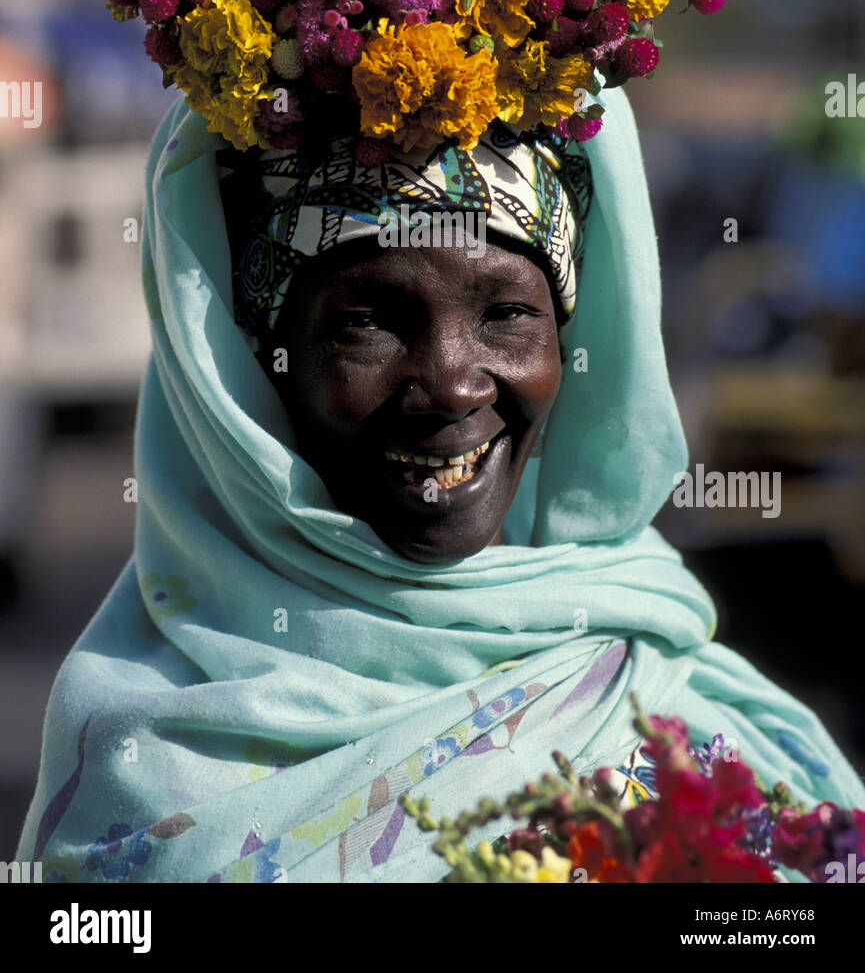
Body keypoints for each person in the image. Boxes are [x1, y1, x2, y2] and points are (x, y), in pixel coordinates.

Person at [15, 86, 865, 884]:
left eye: (507, 314)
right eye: (367, 322)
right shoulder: (150, 750)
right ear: (251, 368)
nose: (454, 385)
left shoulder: (679, 704)